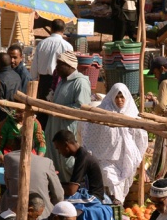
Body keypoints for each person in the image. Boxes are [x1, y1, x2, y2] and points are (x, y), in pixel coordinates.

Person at [79, 83, 148, 204]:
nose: (119, 100)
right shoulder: (103, 113)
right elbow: (89, 131)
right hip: (107, 159)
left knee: (119, 189)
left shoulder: (133, 115)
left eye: (122, 97)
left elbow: (141, 138)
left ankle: (116, 209)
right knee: (110, 183)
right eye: (116, 97)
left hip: (126, 160)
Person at [46, 52, 92, 183]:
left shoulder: (80, 82)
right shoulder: (62, 82)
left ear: (69, 65)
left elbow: (81, 108)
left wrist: (59, 109)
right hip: (56, 129)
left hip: (69, 130)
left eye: (60, 64)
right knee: (56, 165)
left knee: (68, 165)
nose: (57, 68)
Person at [52, 130, 105, 199]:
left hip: (93, 198)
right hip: (86, 194)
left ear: (66, 145)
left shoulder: (83, 158)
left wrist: (52, 184)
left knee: (58, 202)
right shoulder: (80, 156)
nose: (59, 152)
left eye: (58, 148)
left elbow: (71, 190)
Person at [32, 19, 72, 98]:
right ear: (64, 30)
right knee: (55, 107)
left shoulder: (42, 44)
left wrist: (34, 80)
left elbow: (34, 65)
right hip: (59, 82)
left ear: (51, 29)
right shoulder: (67, 46)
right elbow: (70, 67)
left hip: (43, 82)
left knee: (41, 107)